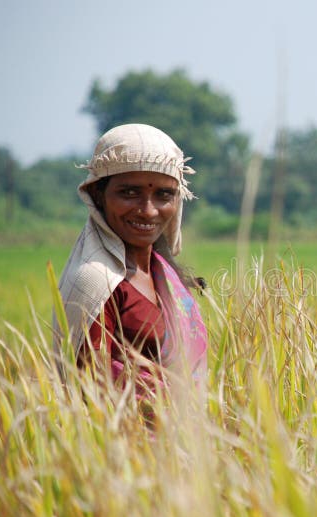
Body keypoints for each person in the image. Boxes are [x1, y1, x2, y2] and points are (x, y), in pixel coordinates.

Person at [55, 124, 207, 398]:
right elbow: (94, 391)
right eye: (129, 193)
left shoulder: (165, 274)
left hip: (186, 436)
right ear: (99, 196)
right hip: (123, 439)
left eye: (163, 194)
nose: (148, 211)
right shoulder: (96, 284)